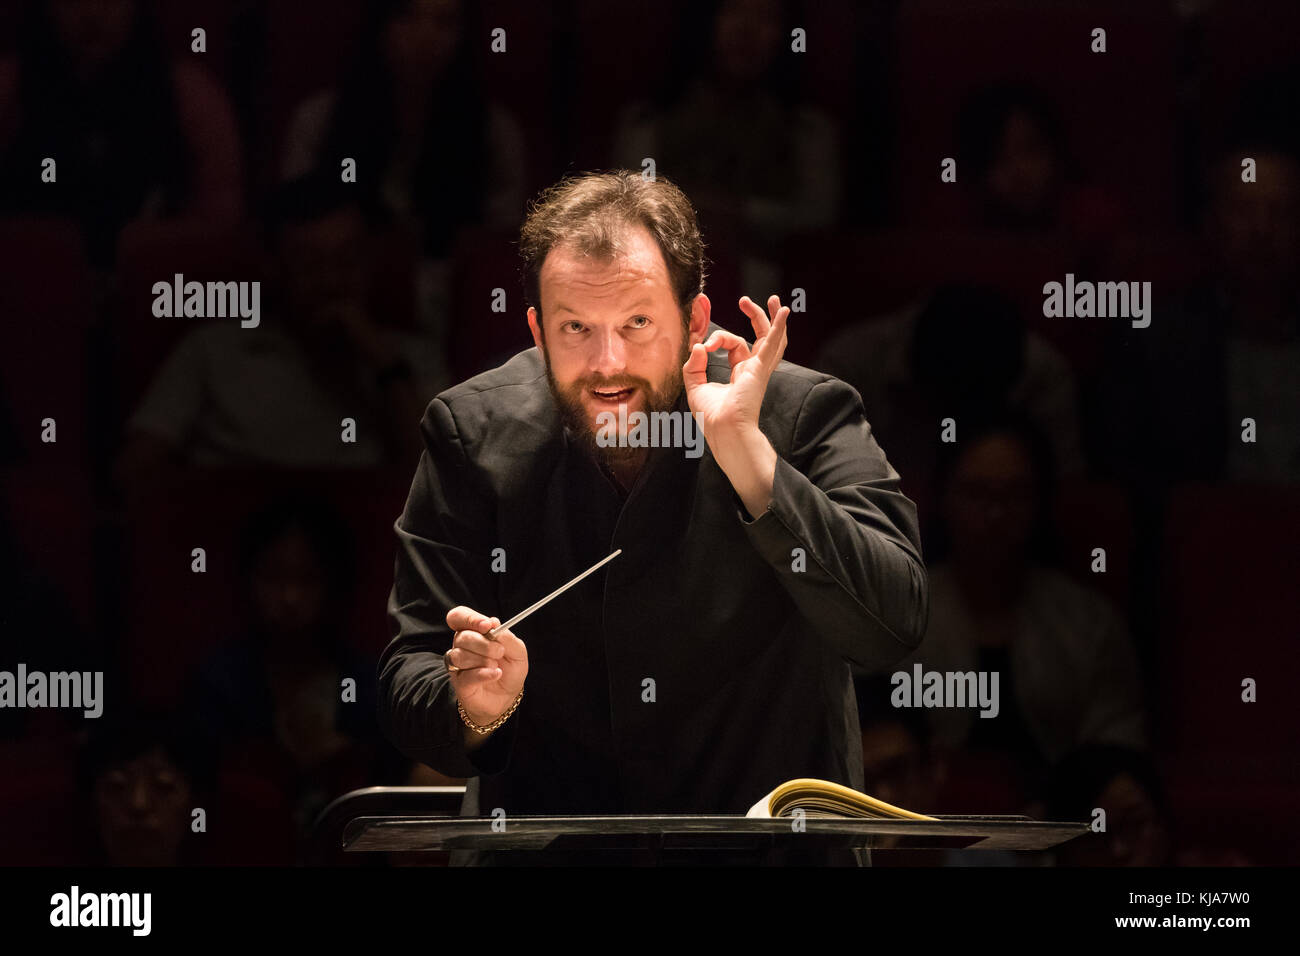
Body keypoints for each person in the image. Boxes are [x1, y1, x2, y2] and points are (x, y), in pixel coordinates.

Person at [378, 170, 929, 865]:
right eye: (575, 327)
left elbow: (893, 626)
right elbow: (410, 672)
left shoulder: (802, 413)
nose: (607, 364)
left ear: (695, 320)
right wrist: (475, 711)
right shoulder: (470, 433)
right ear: (537, 331)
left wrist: (752, 461)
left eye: (637, 323)